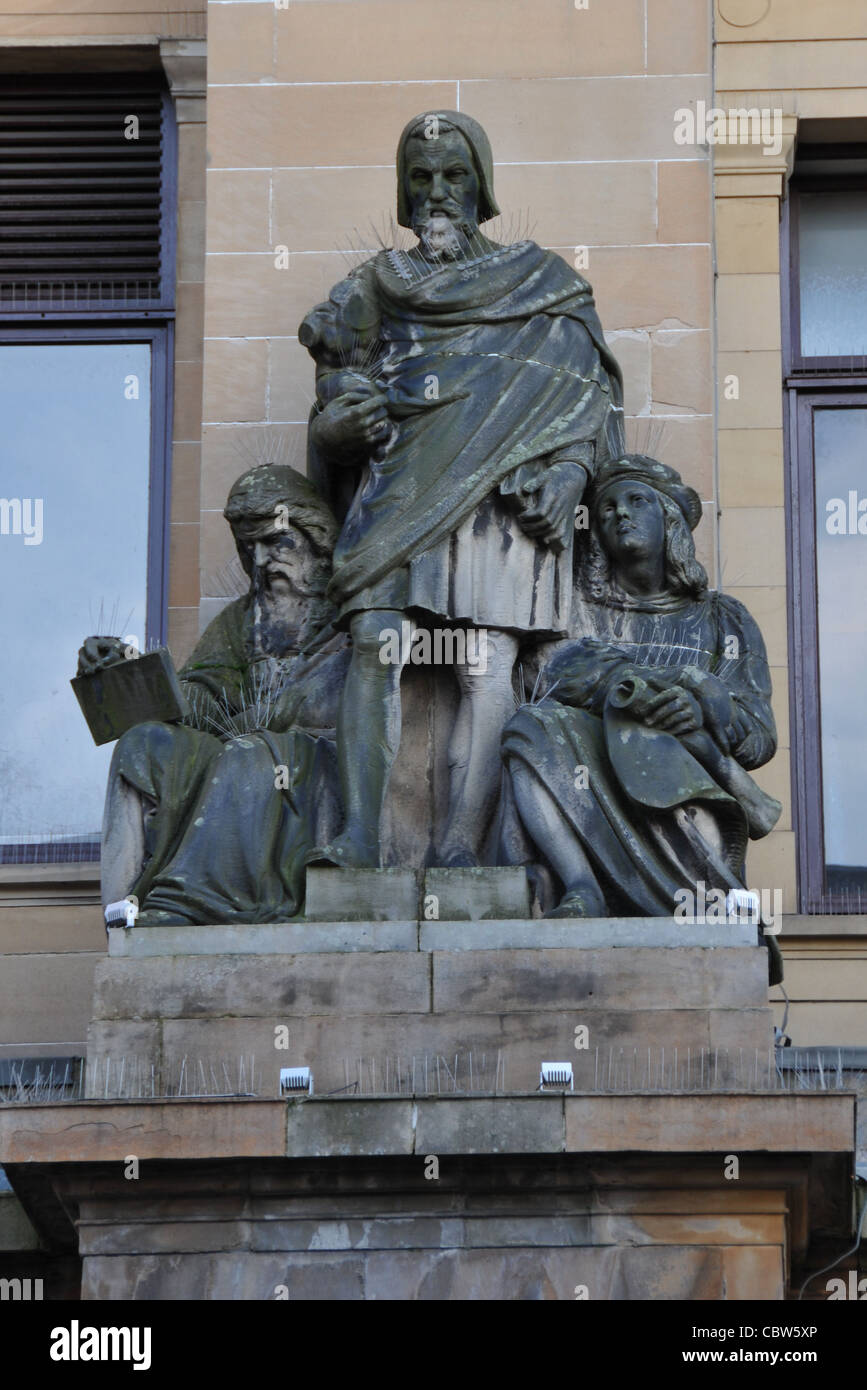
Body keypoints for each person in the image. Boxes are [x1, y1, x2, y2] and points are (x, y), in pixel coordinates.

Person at [303, 109, 625, 868]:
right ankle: (356, 841)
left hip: (501, 497)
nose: (436, 193)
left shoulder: (542, 281)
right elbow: (331, 391)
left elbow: (589, 396)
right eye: (420, 179)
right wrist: (338, 431)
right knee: (373, 643)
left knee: (484, 664)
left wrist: (572, 474)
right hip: (400, 483)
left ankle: (459, 855)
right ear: (402, 191)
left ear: (481, 186)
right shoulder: (376, 284)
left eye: (453, 176)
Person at [497, 453, 783, 978]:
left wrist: (704, 701)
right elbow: (542, 683)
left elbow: (758, 740)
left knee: (664, 748)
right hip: (595, 770)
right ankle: (581, 885)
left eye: (636, 502)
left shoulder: (723, 619)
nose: (619, 515)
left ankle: (702, 886)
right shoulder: (573, 609)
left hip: (686, 787)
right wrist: (625, 690)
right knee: (530, 728)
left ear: (669, 520)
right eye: (605, 510)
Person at [76, 465, 349, 924]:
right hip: (240, 749)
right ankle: (122, 915)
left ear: (315, 540)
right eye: (252, 548)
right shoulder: (241, 620)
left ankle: (188, 903)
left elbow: (350, 697)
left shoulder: (348, 611)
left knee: (248, 755)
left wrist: (270, 717)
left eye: (277, 542)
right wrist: (125, 673)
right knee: (143, 745)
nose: (264, 560)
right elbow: (200, 698)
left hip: (317, 758)